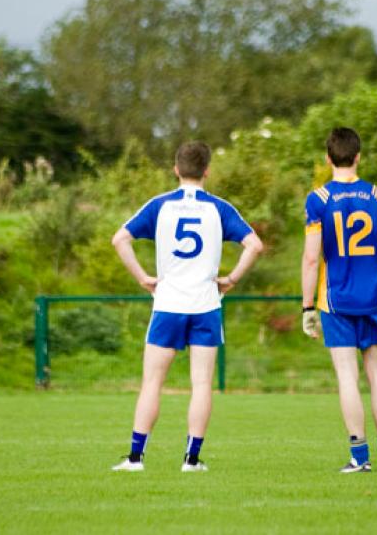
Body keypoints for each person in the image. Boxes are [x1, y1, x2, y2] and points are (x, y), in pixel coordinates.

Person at [111, 141, 263, 472]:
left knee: (152, 383)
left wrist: (142, 277)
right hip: (205, 305)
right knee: (201, 384)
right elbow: (254, 245)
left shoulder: (160, 206)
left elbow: (119, 239)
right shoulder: (219, 208)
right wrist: (232, 278)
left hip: (168, 304)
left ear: (176, 169)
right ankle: (191, 460)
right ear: (207, 170)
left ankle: (136, 458)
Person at [301, 127, 377, 474]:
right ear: (358, 156)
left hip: (336, 302)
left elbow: (312, 260)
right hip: (374, 299)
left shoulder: (318, 200)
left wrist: (307, 307)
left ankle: (360, 457)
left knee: (347, 376)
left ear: (328, 158)